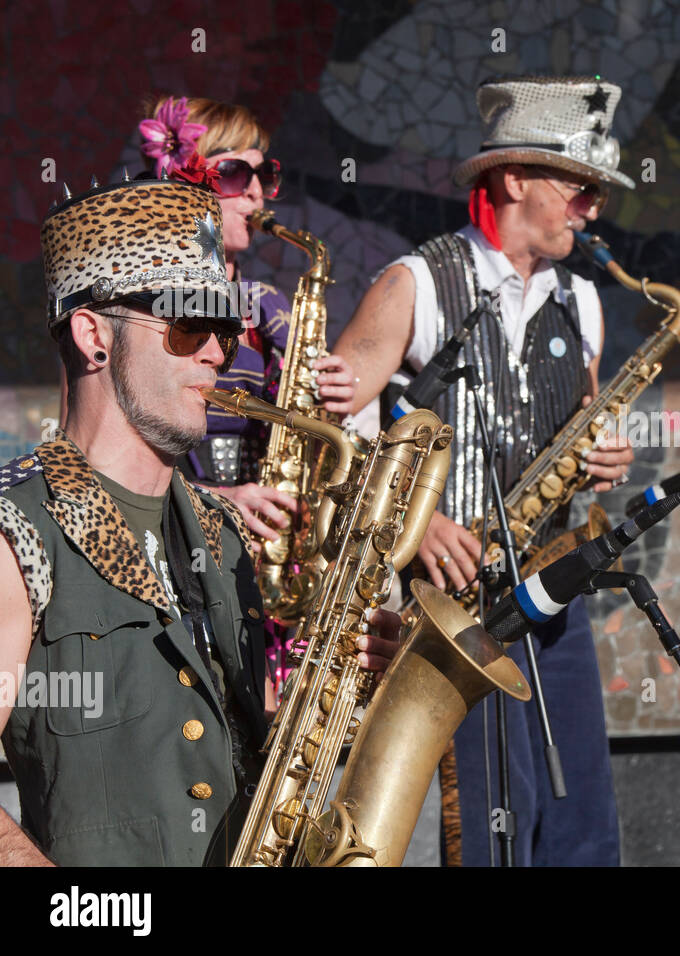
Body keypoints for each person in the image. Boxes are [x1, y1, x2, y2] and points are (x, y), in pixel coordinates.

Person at [0, 177, 397, 866]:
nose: (219, 353)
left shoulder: (222, 528)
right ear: (93, 334)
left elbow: (235, 749)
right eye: (187, 327)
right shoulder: (19, 528)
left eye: (225, 328)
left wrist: (340, 691)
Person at [336, 75, 636, 866]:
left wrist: (606, 452)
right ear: (514, 179)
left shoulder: (585, 300)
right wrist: (416, 520)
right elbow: (329, 427)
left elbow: (590, 420)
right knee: (500, 819)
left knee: (583, 826)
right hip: (458, 604)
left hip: (552, 588)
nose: (592, 206)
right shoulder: (418, 281)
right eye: (578, 186)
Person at [137, 96, 357, 550]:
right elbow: (94, 461)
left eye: (266, 175)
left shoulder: (271, 308)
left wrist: (327, 409)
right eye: (237, 174)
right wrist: (215, 503)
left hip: (265, 558)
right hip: (168, 550)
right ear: (185, 181)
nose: (258, 193)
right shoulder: (134, 306)